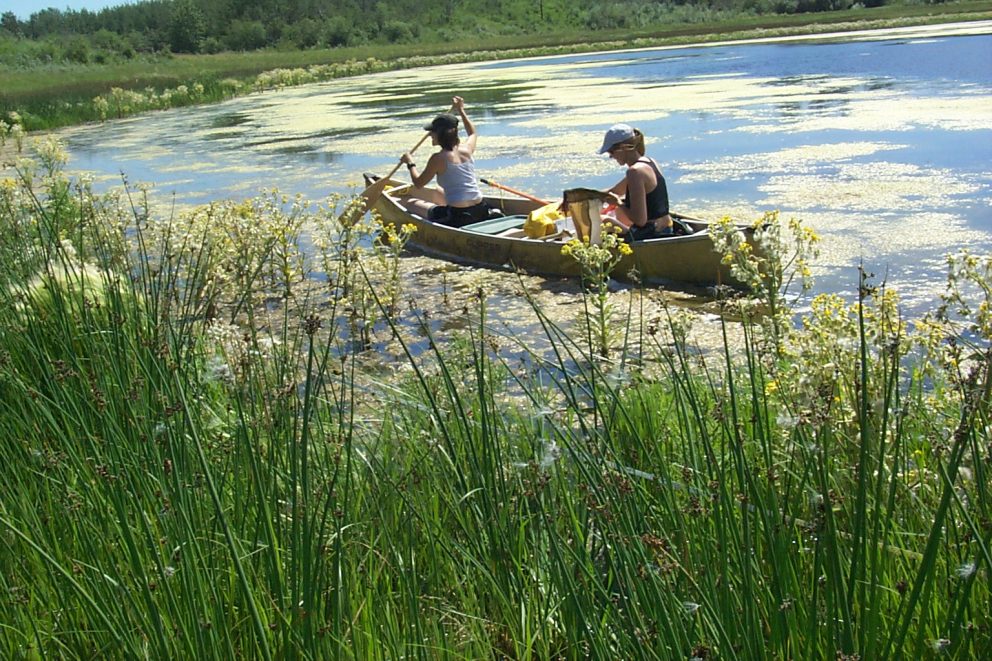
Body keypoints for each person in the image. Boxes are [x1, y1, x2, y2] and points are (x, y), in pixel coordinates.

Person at [399, 96, 495, 227]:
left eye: (432, 131)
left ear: (440, 134)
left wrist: (410, 163)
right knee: (438, 191)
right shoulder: (467, 149)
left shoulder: (437, 158)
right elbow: (472, 133)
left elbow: (418, 183)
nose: (429, 134)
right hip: (481, 209)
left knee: (410, 203)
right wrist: (461, 110)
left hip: (458, 216)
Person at [597, 123, 673, 242]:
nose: (611, 157)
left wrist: (618, 203)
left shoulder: (634, 172)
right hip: (666, 228)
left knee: (604, 220)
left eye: (611, 152)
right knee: (618, 212)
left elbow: (640, 221)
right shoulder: (649, 162)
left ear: (623, 148)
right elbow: (615, 191)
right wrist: (585, 197)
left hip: (651, 233)